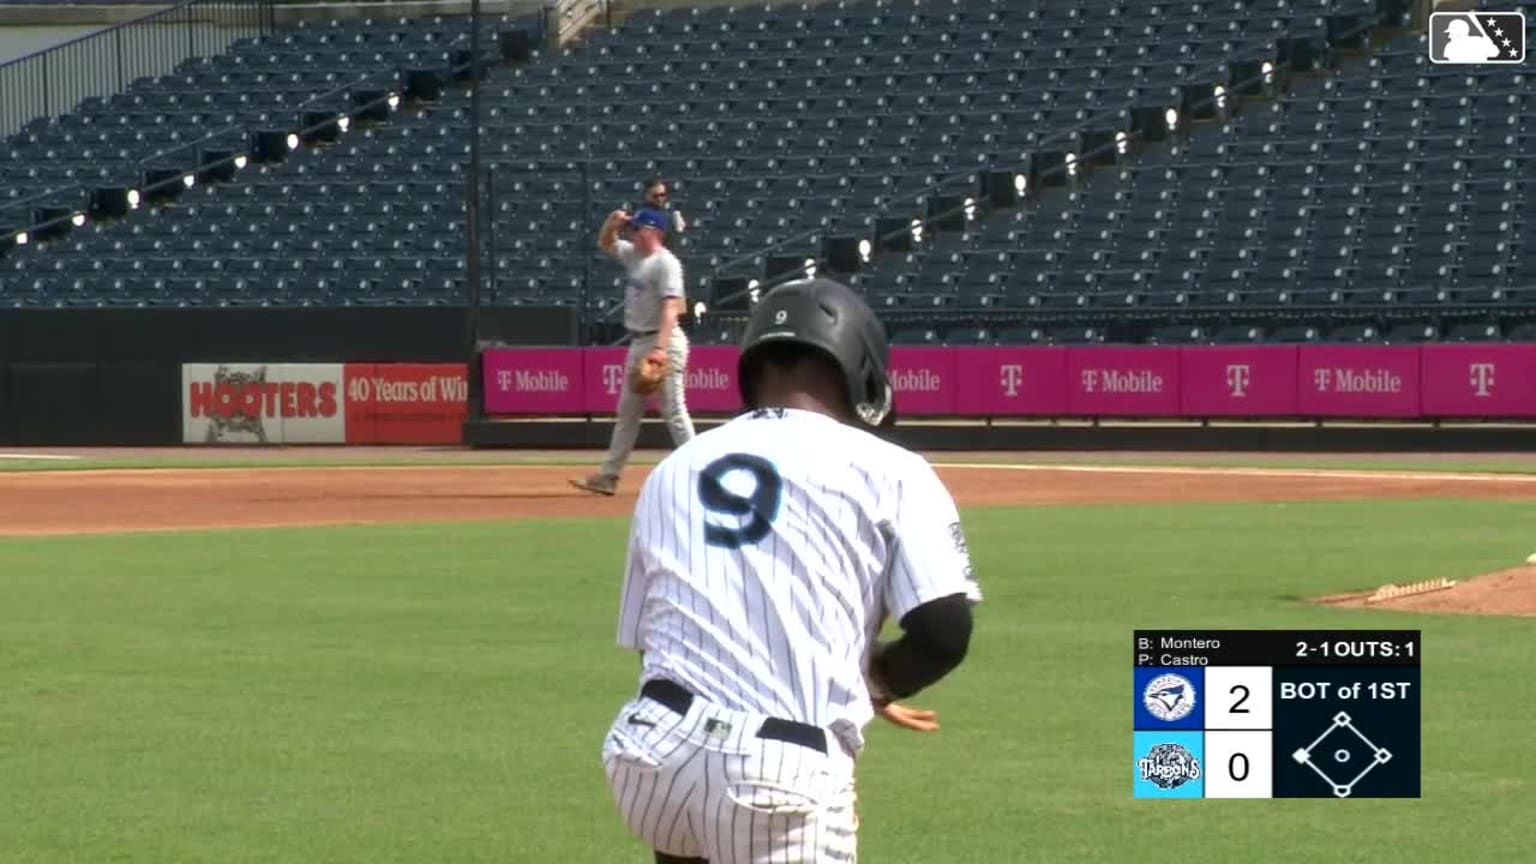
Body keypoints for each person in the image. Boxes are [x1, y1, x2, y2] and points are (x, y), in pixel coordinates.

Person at [598, 277, 981, 863]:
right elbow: (945, 632)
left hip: (651, 753)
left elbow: (655, 641)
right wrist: (875, 683)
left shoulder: (676, 467)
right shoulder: (893, 469)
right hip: (779, 773)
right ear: (860, 369)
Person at [571, 207, 697, 497]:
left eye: (638, 228)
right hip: (639, 341)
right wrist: (612, 222)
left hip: (664, 341)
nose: (633, 232)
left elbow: (671, 308)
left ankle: (703, 471)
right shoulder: (634, 254)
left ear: (654, 232)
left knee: (674, 412)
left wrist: (660, 349)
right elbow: (606, 242)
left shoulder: (666, 263)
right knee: (627, 413)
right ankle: (609, 476)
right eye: (633, 228)